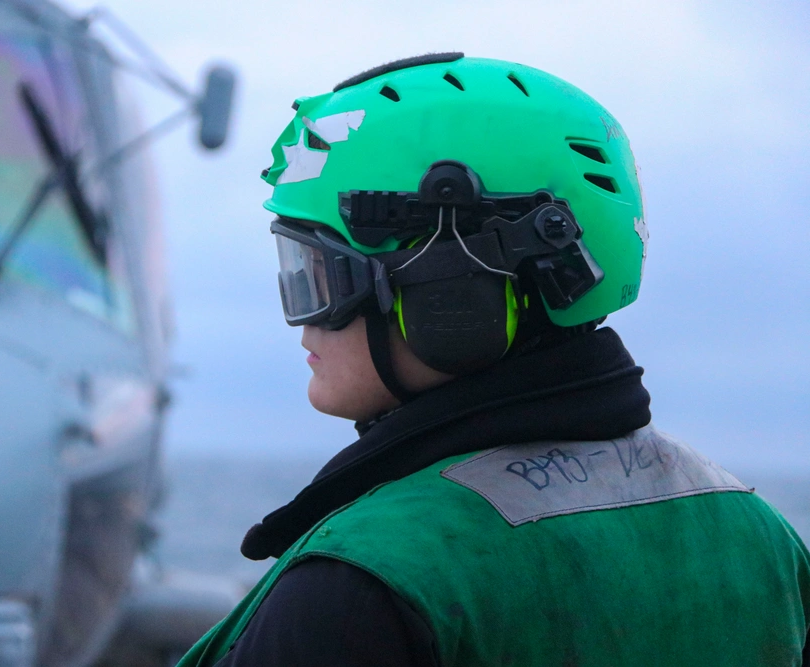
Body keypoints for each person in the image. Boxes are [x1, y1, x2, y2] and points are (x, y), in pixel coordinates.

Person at [177, 54, 810, 666]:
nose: (304, 317)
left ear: (458, 288)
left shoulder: (365, 588)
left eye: (319, 274)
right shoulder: (759, 533)